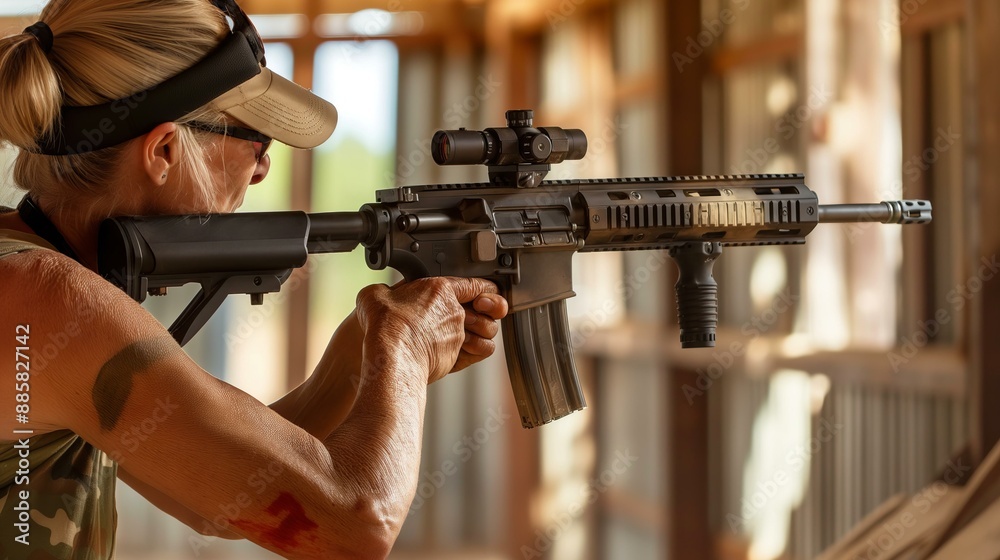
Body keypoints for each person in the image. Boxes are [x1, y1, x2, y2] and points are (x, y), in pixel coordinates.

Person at [0, 0, 508, 558]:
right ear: (165, 149)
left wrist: (358, 359)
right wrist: (405, 348)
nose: (263, 167)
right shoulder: (49, 299)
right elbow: (355, 528)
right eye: (253, 139)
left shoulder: (31, 275)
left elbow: (219, 500)